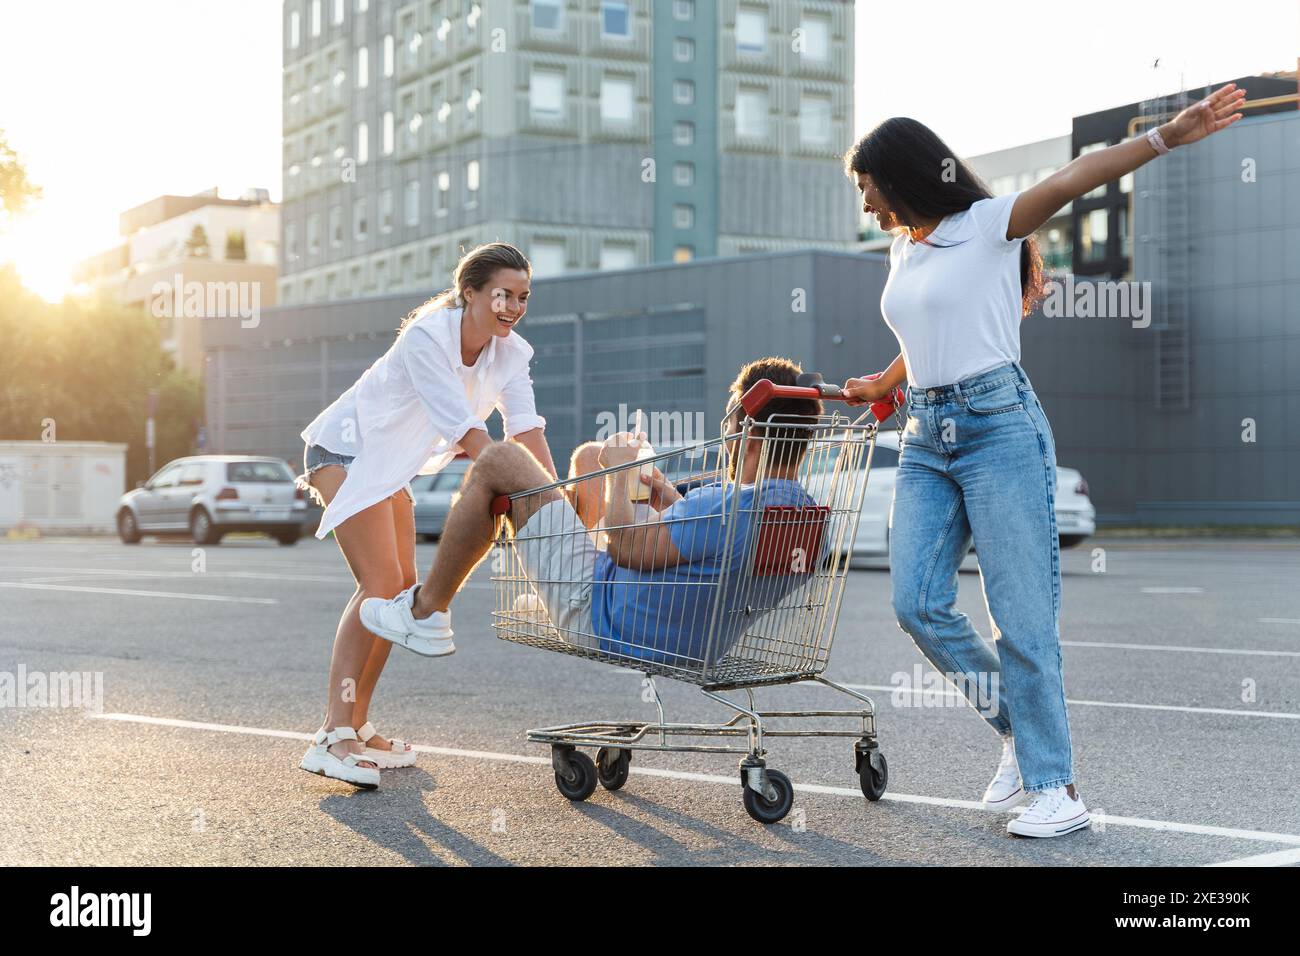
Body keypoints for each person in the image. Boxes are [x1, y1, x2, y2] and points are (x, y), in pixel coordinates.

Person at [839, 84, 1246, 837]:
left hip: (999, 429)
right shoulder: (905, 247)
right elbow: (924, 328)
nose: (865, 204)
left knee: (1021, 619)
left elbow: (1070, 180)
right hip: (925, 438)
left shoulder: (989, 224)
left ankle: (1056, 789)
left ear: (898, 176)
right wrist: (888, 380)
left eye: (867, 188)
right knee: (917, 605)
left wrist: (1166, 138)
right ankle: (1018, 736)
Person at [358, 357, 822, 669]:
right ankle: (545, 599)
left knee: (500, 461)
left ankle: (426, 611)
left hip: (606, 618)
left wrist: (624, 474)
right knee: (588, 458)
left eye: (733, 426)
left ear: (750, 436)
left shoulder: (730, 504)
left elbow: (625, 544)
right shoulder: (801, 516)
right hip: (695, 640)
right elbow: (715, 552)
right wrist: (664, 496)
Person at [295, 241, 556, 789]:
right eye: (501, 295)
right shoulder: (427, 338)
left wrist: (553, 499)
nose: (512, 306)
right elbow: (468, 434)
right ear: (471, 293)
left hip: (392, 466)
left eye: (522, 297)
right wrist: (513, 479)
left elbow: (526, 430)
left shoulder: (512, 354)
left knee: (404, 590)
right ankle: (331, 735)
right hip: (344, 451)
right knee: (381, 586)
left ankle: (358, 725)